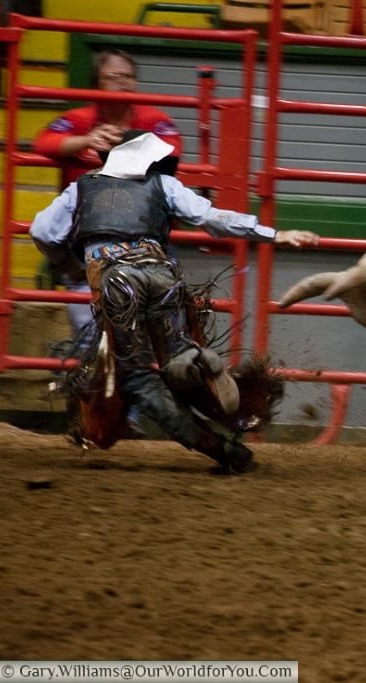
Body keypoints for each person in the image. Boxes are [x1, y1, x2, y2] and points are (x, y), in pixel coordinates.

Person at [30, 130, 320, 474]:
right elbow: (212, 218)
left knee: (137, 378)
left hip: (115, 280)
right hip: (161, 274)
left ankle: (223, 451)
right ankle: (195, 362)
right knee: (174, 359)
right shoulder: (163, 185)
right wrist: (274, 234)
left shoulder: (81, 188)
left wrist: (71, 266)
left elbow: (42, 231)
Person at [34, 49, 184, 365]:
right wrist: (87, 140)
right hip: (86, 243)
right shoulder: (77, 120)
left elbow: (172, 151)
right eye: (112, 77)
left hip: (143, 238)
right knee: (90, 333)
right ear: (96, 84)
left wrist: (126, 144)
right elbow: (43, 142)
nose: (122, 83)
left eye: (128, 76)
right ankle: (93, 389)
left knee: (170, 329)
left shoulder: (155, 120)